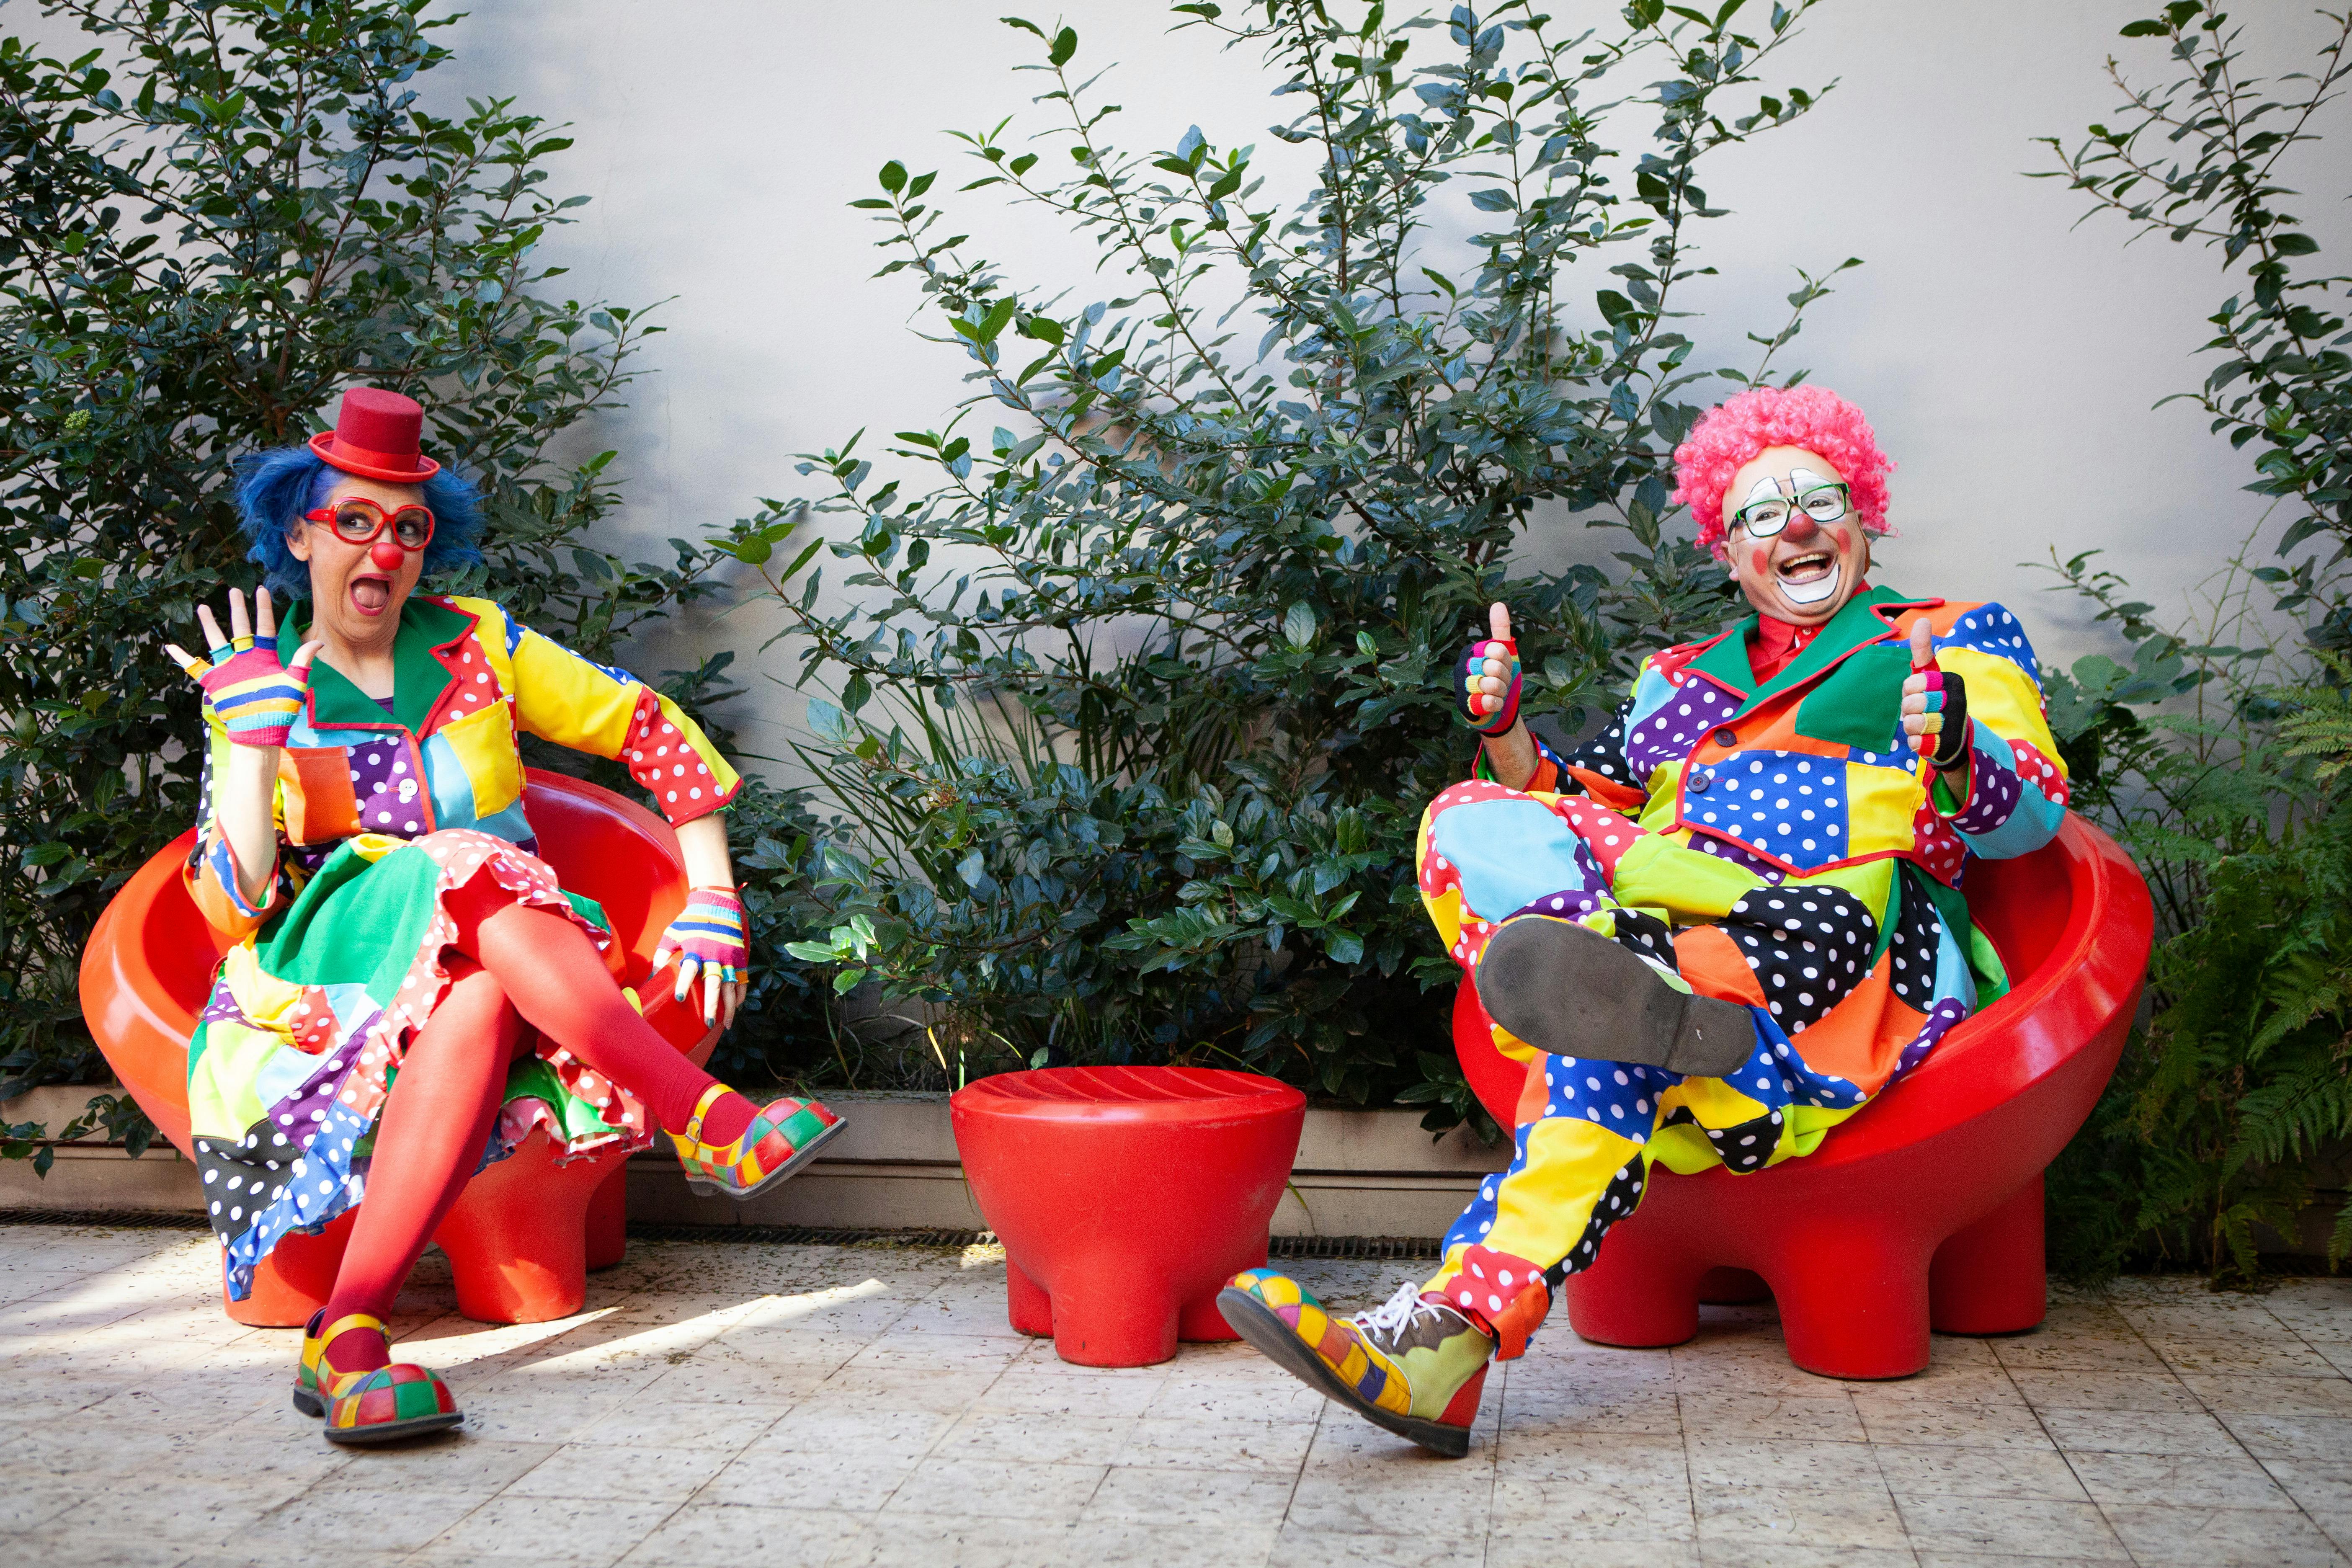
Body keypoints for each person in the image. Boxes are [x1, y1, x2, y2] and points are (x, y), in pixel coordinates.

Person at [1218, 384, 2068, 1456]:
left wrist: (1949, 747)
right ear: (1729, 551)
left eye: (1819, 499)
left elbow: (2030, 816)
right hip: (1668, 924)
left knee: (1603, 1043)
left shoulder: (1942, 638)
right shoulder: (1677, 682)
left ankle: (1444, 1339)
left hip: (1833, 934)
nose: (1798, 526)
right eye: (1764, 512)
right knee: (1470, 818)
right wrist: (1510, 730)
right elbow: (1586, 797)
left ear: (1863, 519)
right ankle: (1613, 1016)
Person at [167, 387, 843, 1444]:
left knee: (478, 998)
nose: (381, 551)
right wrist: (249, 752)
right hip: (326, 966)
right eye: (354, 521)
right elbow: (229, 908)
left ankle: (346, 1335)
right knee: (464, 855)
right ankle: (706, 1116)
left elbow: (645, 723)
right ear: (302, 532)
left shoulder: (482, 646)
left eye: (408, 527)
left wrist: (711, 888)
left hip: (505, 951)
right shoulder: (258, 682)